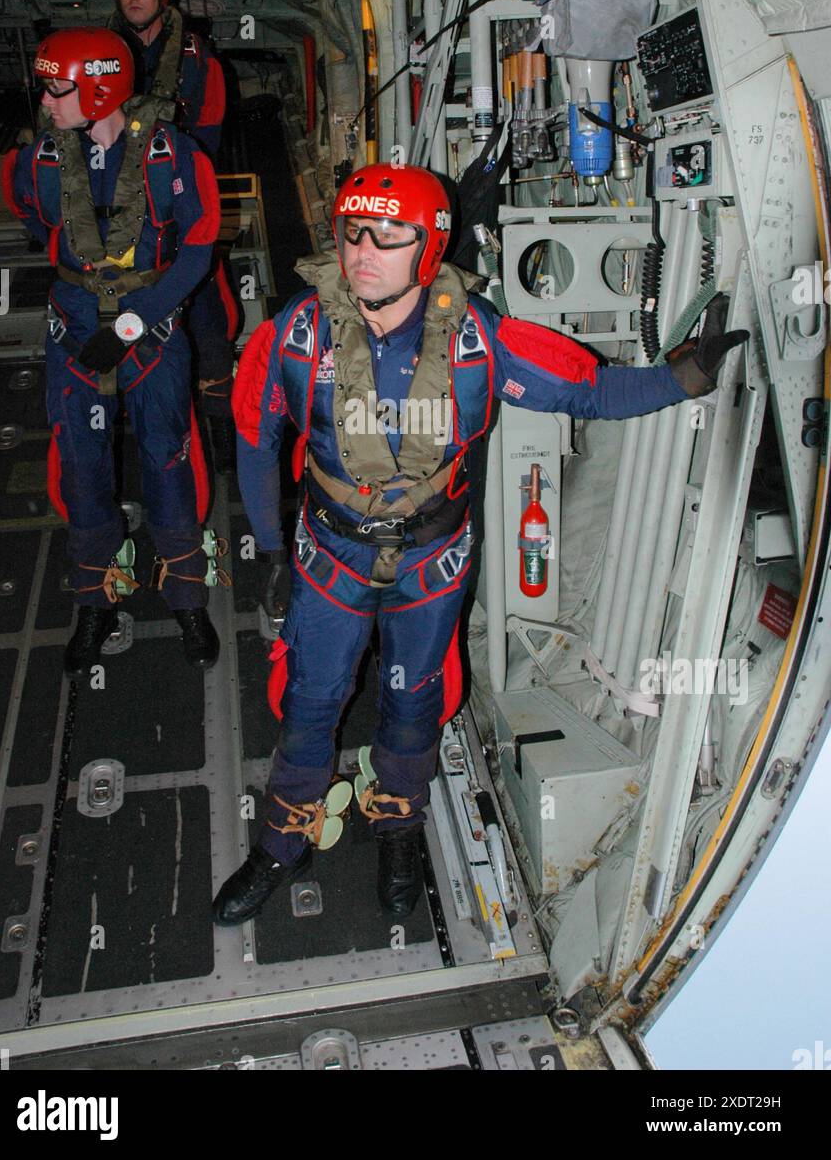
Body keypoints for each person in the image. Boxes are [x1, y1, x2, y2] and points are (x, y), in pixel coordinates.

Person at [214, 162, 748, 925]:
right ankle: (282, 840)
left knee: (413, 702)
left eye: (388, 238)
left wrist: (685, 375)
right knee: (310, 700)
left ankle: (398, 827)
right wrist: (269, 547)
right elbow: (253, 435)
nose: (363, 252)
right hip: (331, 555)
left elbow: (590, 389)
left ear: (429, 250)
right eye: (353, 233)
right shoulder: (296, 333)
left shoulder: (479, 340)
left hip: (432, 563)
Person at [1, 27, 222, 677]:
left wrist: (136, 319)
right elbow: (36, 220)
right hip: (74, 327)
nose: (48, 101)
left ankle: (185, 592)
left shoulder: (171, 157)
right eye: (44, 87)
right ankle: (94, 597)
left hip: (149, 329)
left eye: (58, 87)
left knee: (168, 462)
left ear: (99, 87)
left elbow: (199, 247)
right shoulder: (38, 162)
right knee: (82, 470)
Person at [109, 0, 239, 473]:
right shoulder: (98, 51)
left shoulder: (198, 60)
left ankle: (227, 448)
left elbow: (205, 138)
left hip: (177, 202)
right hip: (119, 213)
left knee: (207, 325)